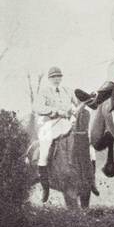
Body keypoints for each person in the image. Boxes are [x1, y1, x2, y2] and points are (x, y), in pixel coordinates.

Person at [34, 66, 74, 203]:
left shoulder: (67, 90)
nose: (57, 79)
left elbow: (77, 104)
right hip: (50, 123)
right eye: (54, 77)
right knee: (44, 151)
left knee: (87, 145)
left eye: (59, 76)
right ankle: (45, 187)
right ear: (49, 79)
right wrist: (55, 111)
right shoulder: (44, 91)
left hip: (67, 123)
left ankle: (90, 180)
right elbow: (38, 108)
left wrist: (76, 108)